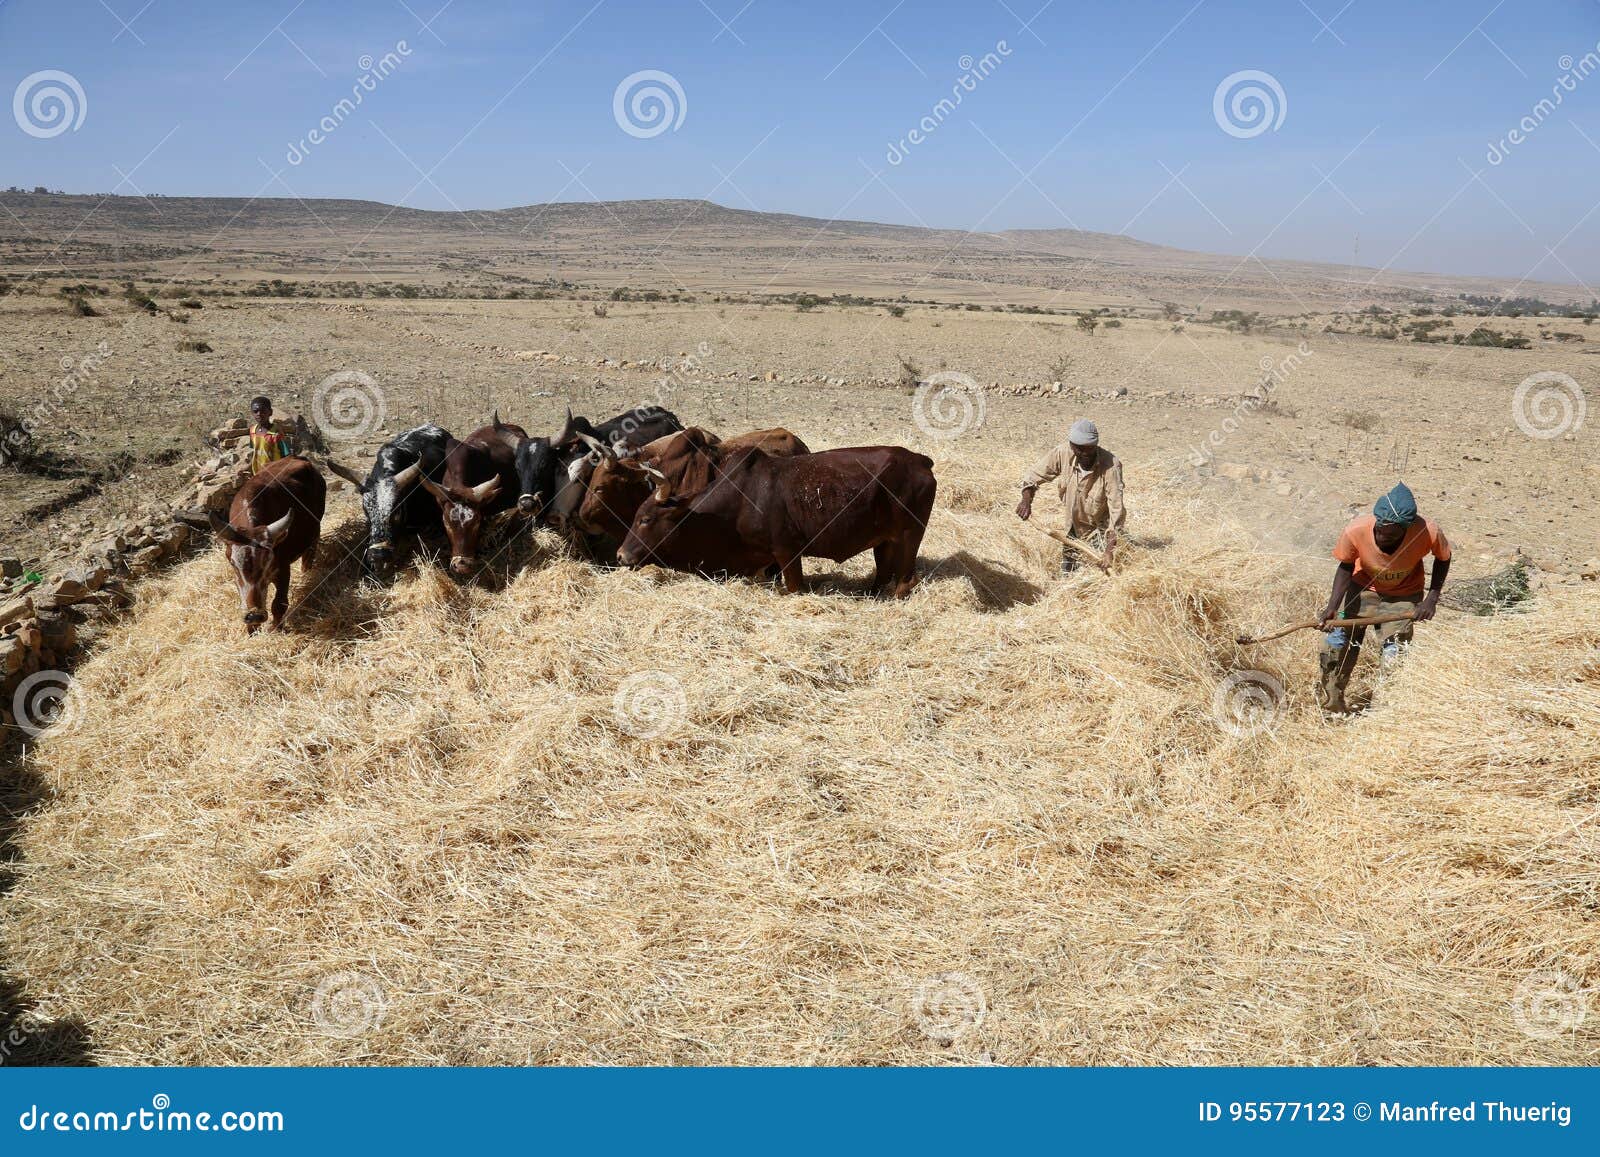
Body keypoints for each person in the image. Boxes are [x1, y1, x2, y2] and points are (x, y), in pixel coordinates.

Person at [1317, 482, 1451, 713]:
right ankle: (1332, 705)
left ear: (1405, 528)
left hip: (1403, 594)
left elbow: (1443, 558)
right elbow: (1346, 566)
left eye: (1389, 534)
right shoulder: (1356, 530)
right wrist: (1333, 607)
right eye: (1379, 529)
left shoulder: (1427, 530)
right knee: (1336, 644)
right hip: (1362, 588)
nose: (1381, 536)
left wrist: (1431, 599)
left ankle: (1384, 712)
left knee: (1394, 651)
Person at [1015, 418, 1125, 573]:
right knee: (1068, 573)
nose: (1084, 453)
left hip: (1100, 531)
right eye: (1079, 448)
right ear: (1072, 445)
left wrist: (1109, 550)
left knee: (1095, 577)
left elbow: (1117, 510)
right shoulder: (1063, 453)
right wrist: (1026, 500)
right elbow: (1032, 477)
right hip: (1072, 528)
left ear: (1096, 445)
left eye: (1089, 448)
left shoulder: (1111, 466)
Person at [248, 395, 295, 474]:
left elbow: (286, 456)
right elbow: (255, 454)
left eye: (263, 411)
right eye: (255, 411)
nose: (259, 414)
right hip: (257, 474)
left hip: (274, 475)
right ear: (252, 413)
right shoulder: (252, 431)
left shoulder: (276, 433)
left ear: (270, 412)